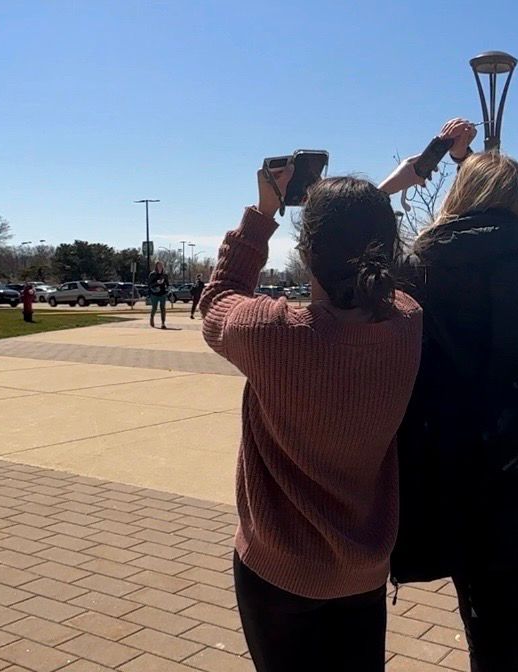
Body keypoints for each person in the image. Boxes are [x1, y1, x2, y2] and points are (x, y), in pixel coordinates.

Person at [200, 163, 423, 672]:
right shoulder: (407, 323)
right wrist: (369, 204)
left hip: (278, 567)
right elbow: (378, 280)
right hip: (364, 568)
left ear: (304, 255)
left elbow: (217, 300)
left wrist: (263, 212)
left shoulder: (269, 331)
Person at [383, 119, 518, 672]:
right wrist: (466, 158)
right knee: (505, 615)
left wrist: (391, 187)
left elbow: (347, 240)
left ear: (459, 198)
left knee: (490, 623)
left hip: (464, 474)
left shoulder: (424, 268)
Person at [147, 261, 169, 328]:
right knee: (154, 308)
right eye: (158, 266)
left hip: (162, 293)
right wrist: (157, 283)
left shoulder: (165, 275)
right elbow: (149, 284)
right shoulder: (152, 274)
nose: (160, 267)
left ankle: (163, 323)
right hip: (154, 294)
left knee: (163, 308)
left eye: (161, 266)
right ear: (156, 266)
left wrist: (165, 285)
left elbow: (167, 284)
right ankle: (151, 318)